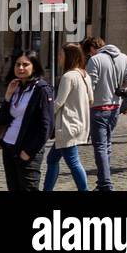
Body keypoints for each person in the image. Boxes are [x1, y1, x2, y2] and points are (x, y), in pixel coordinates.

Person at [0, 50, 55, 191]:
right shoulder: (16, 87)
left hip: (27, 150)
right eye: (18, 64)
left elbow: (47, 126)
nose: (20, 68)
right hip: (9, 147)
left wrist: (28, 151)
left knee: (29, 188)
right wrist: (8, 96)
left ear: (34, 67)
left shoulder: (42, 89)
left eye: (25, 64)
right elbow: (1, 119)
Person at [85, 37, 127, 190]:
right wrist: (119, 86)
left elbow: (90, 86)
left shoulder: (95, 60)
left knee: (99, 146)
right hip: (115, 107)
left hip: (98, 107)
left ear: (93, 48)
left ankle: (105, 183)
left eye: (88, 51)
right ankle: (102, 182)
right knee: (106, 144)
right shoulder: (124, 58)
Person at [44, 43, 92, 191]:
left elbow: (58, 102)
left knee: (73, 162)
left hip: (67, 125)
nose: (59, 58)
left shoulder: (68, 76)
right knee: (52, 159)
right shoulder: (84, 75)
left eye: (61, 55)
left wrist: (44, 114)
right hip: (79, 124)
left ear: (69, 57)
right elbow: (91, 100)